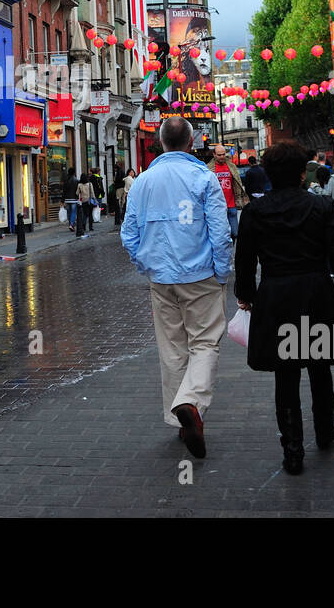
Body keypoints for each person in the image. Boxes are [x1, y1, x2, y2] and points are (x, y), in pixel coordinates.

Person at [235, 142, 334, 475]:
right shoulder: (321, 206)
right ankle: (324, 430)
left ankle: (293, 450)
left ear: (269, 174)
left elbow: (245, 260)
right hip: (316, 292)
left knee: (286, 374)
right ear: (301, 173)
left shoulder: (254, 212)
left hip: (276, 295)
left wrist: (246, 295)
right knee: (319, 367)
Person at [121, 117, 232, 459]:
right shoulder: (203, 178)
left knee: (172, 348)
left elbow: (129, 233)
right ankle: (191, 402)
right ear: (191, 142)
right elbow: (220, 232)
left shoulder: (143, 181)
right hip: (199, 274)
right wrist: (222, 272)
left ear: (160, 141)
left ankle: (179, 418)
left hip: (161, 278)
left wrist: (146, 264)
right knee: (205, 342)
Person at [206, 144, 249, 240]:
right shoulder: (208, 168)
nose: (222, 157)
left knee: (235, 233)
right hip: (217, 206)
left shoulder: (231, 166)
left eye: (223, 154)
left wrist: (240, 198)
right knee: (220, 234)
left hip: (231, 205)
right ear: (214, 154)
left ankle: (231, 248)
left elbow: (237, 183)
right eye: (219, 155)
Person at [76, 173, 94, 238]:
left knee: (84, 214)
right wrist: (95, 199)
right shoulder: (90, 184)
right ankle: (90, 227)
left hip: (83, 201)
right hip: (89, 201)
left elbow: (77, 193)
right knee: (90, 214)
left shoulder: (79, 185)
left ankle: (83, 226)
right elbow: (92, 193)